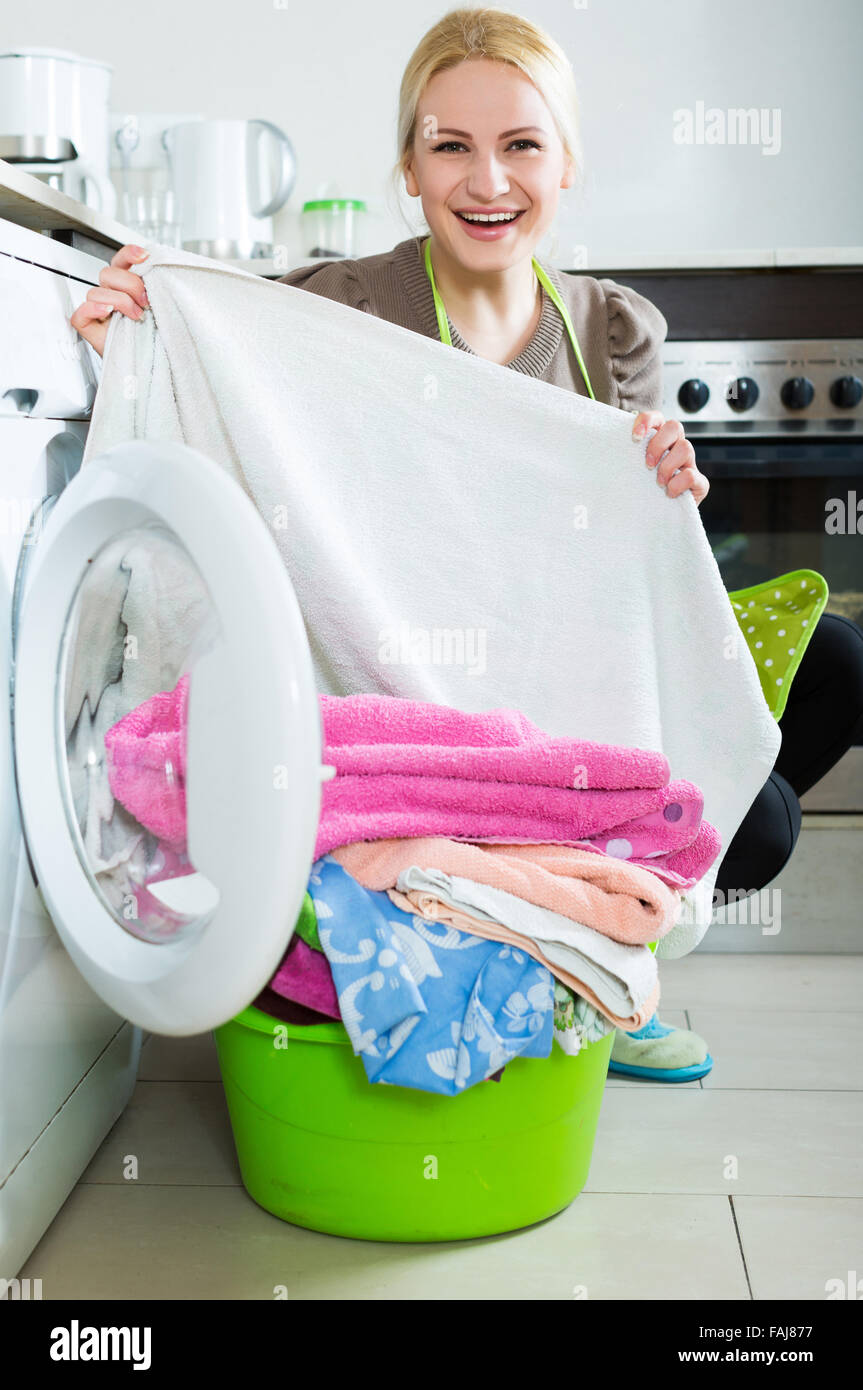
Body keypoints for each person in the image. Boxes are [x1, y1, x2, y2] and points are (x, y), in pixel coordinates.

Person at [71, 6, 863, 1082]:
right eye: (451, 146)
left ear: (567, 162)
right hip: (429, 679)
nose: (487, 181)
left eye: (520, 145)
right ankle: (556, 943)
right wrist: (141, 316)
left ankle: (580, 937)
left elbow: (633, 553)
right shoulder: (342, 307)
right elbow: (234, 383)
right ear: (408, 164)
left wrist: (667, 476)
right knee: (756, 826)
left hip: (573, 656)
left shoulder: (608, 328)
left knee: (830, 685)